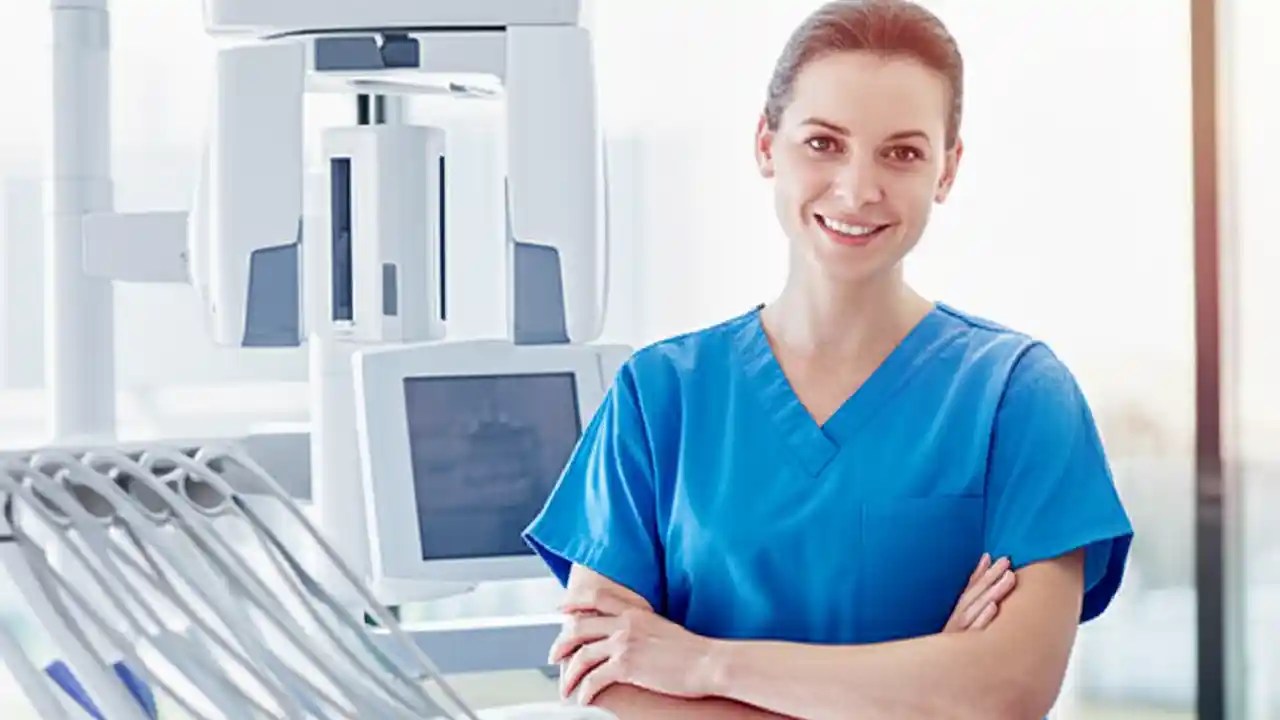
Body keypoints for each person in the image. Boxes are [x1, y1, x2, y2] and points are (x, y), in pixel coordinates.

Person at [522, 0, 1135, 717]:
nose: (857, 188)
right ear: (765, 143)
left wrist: (701, 662)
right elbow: (607, 674)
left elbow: (1004, 689)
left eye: (902, 152)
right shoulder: (660, 397)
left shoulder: (1015, 395)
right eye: (823, 143)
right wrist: (919, 686)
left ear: (947, 169)